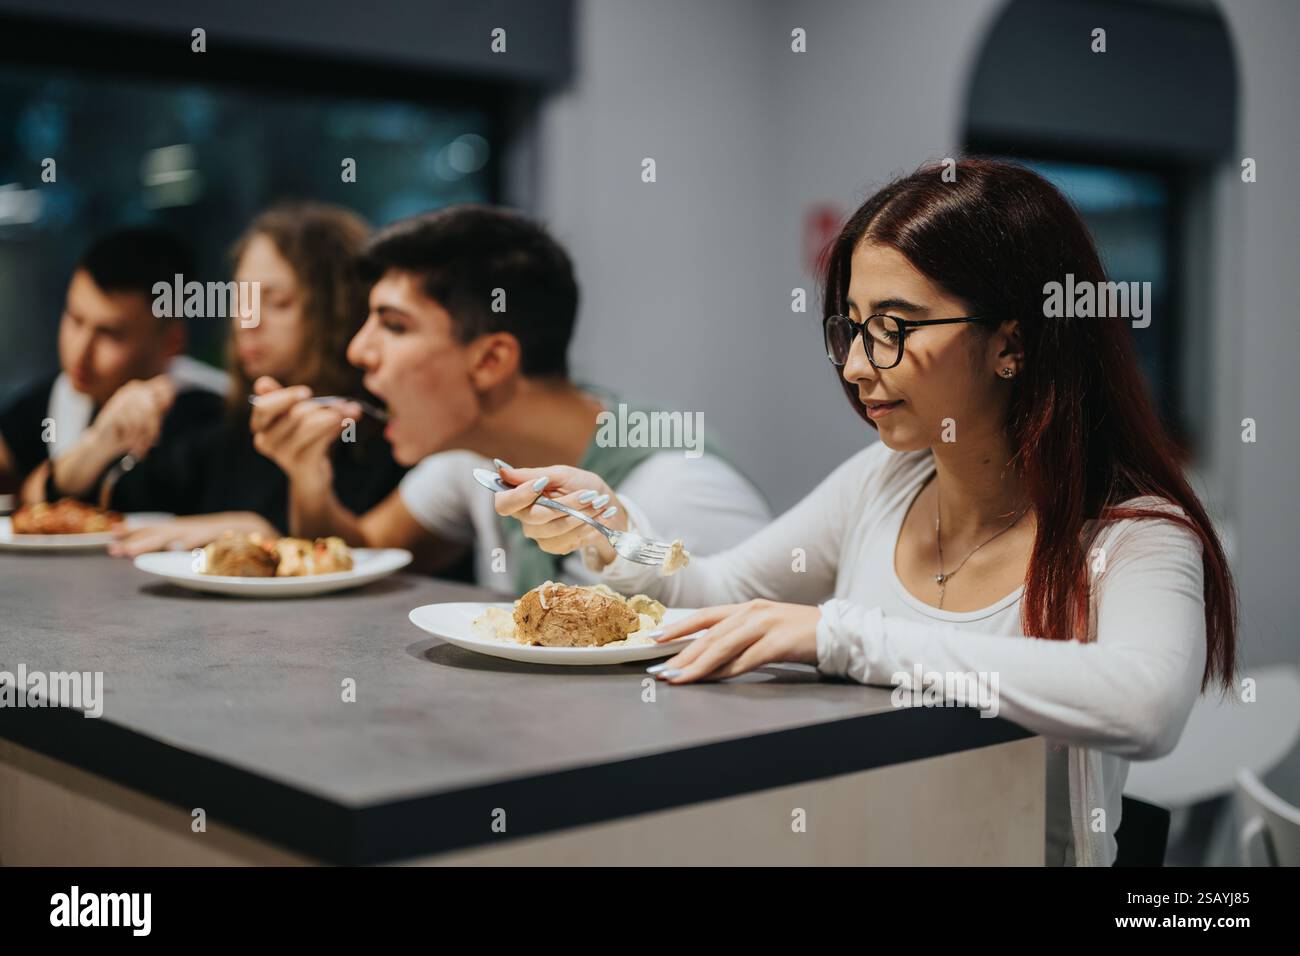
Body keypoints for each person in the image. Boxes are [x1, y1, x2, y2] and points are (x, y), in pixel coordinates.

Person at [495, 158, 1238, 867]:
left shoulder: (1136, 534)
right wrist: (617, 538)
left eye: (894, 329)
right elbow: (710, 592)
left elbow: (1143, 705)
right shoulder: (884, 481)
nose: (855, 365)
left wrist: (841, 635)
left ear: (1012, 342)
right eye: (850, 327)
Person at [249, 204, 769, 591]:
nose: (359, 350)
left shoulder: (682, 493)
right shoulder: (471, 461)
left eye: (393, 325)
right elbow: (352, 564)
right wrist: (308, 477)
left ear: (491, 361)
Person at [108, 202, 406, 555]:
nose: (247, 321)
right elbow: (115, 505)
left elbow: (350, 560)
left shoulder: (390, 439)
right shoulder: (223, 423)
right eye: (242, 297)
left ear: (340, 310)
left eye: (277, 302)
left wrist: (263, 534)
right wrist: (104, 439)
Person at [0, 228, 224, 503]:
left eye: (111, 334)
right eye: (75, 319)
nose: (80, 351)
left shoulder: (209, 418)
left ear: (172, 342)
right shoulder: (46, 403)